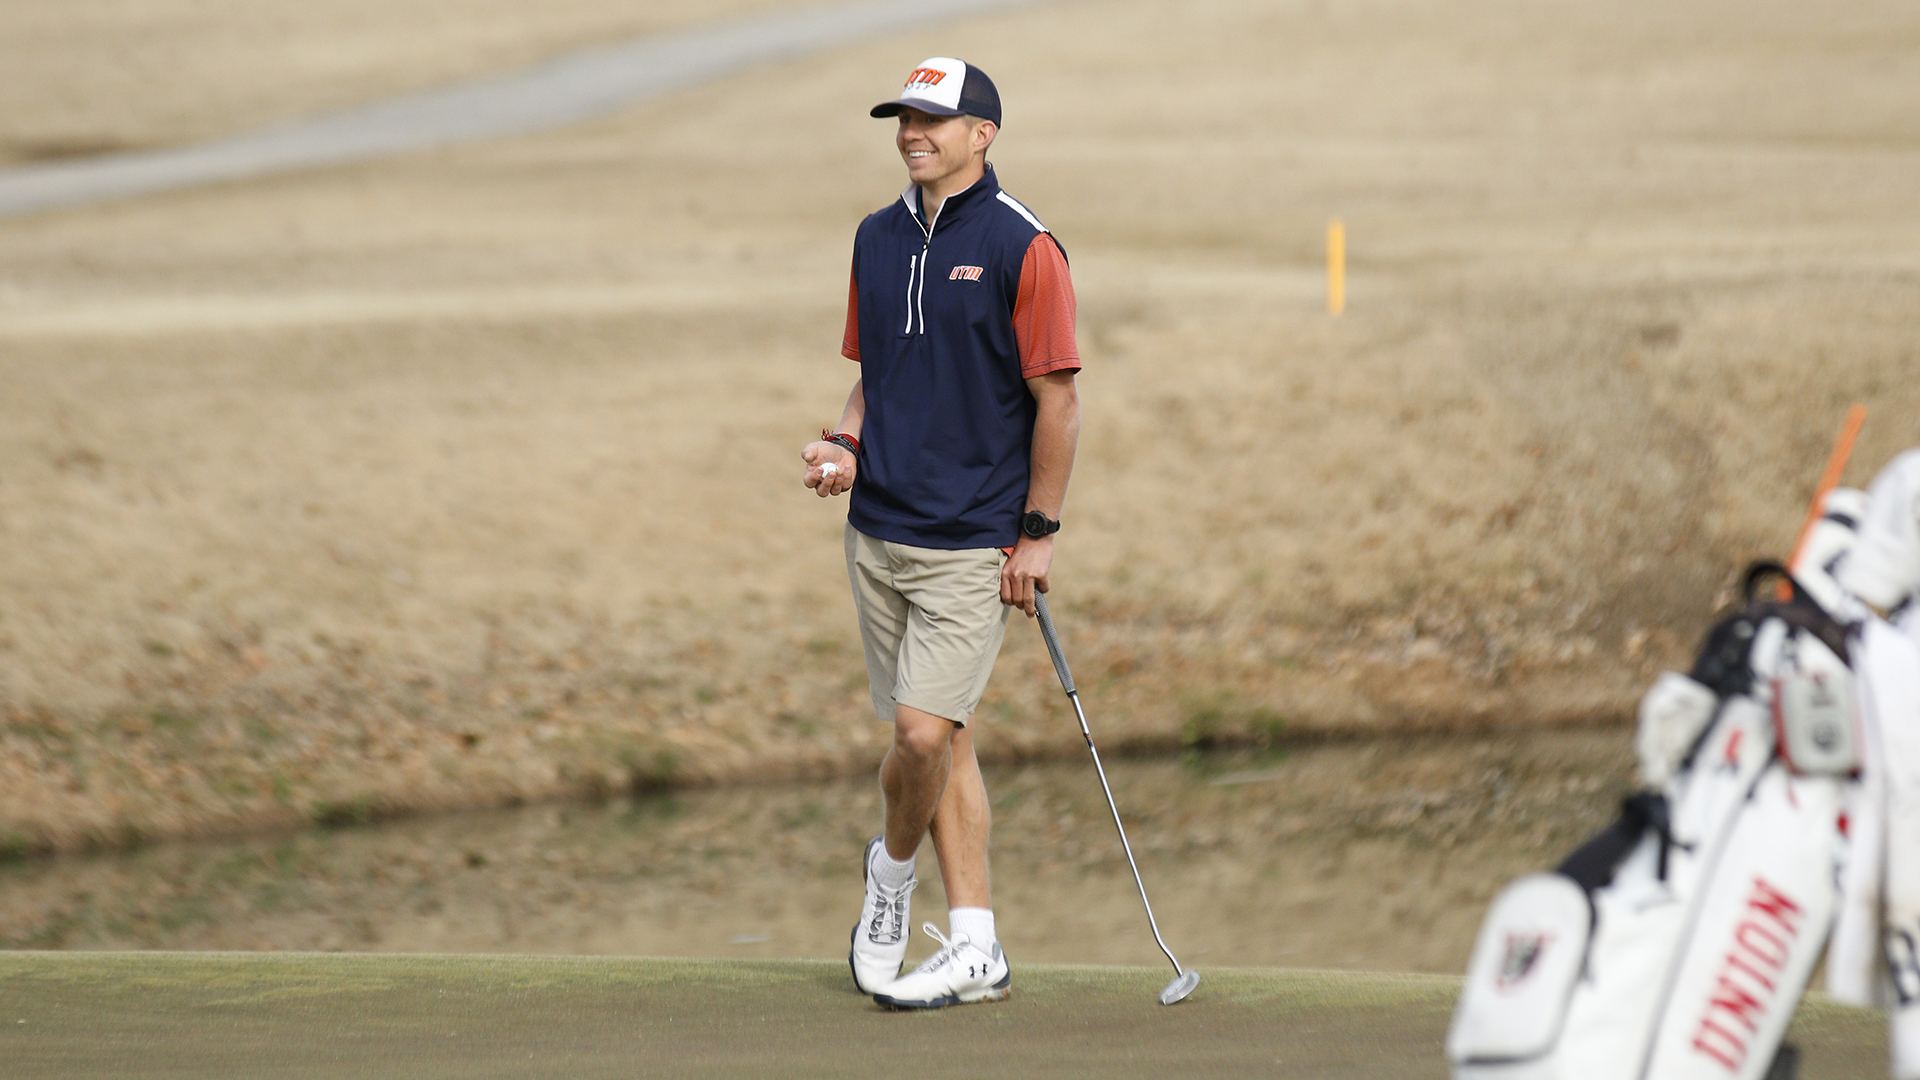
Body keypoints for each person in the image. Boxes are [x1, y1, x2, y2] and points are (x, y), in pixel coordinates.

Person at [799, 56, 1080, 1010]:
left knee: (921, 736)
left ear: (982, 134)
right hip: (877, 533)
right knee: (944, 739)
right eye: (904, 119)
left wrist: (1037, 533)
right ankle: (975, 947)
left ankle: (889, 874)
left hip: (972, 540)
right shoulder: (876, 237)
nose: (912, 133)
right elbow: (876, 375)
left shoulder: (1023, 246)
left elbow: (1058, 401)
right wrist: (845, 443)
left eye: (933, 119)